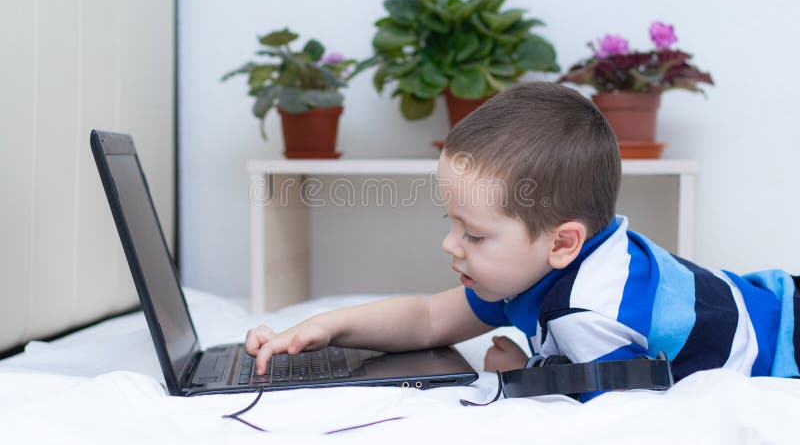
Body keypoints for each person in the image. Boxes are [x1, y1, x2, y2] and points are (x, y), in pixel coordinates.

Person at [245, 82, 800, 396]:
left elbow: (627, 406)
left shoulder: (589, 311)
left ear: (562, 242)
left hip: (787, 337)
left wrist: (524, 378)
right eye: (452, 224)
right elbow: (429, 318)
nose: (452, 246)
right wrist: (328, 326)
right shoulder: (543, 262)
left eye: (476, 235)